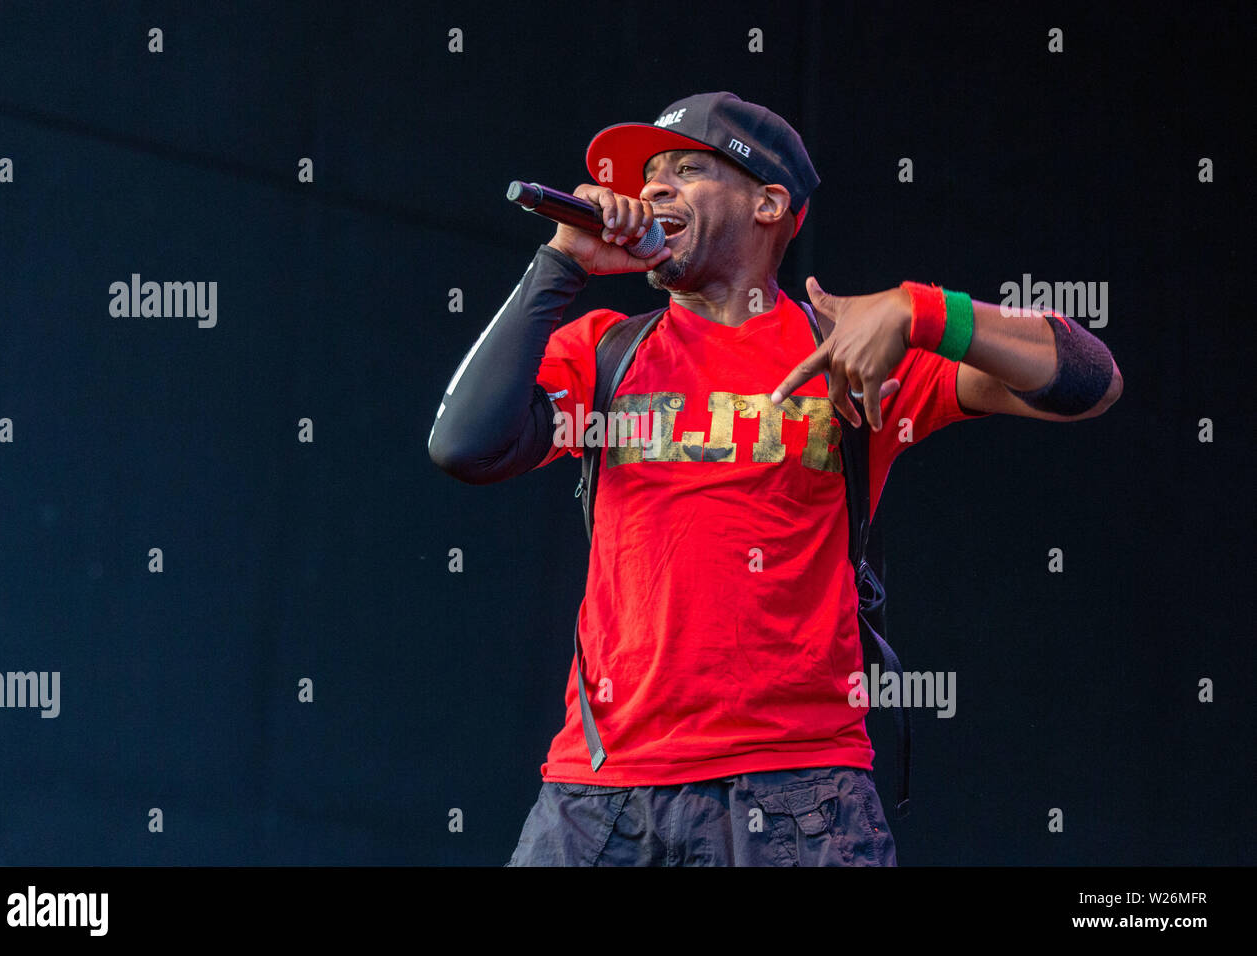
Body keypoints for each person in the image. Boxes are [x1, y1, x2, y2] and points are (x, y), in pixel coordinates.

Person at [427, 92, 1122, 866]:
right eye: (647, 178)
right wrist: (560, 263)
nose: (652, 191)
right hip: (598, 796)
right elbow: (465, 446)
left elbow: (1089, 380)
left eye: (685, 171)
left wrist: (922, 313)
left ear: (769, 202)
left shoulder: (852, 352)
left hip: (799, 797)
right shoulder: (605, 352)